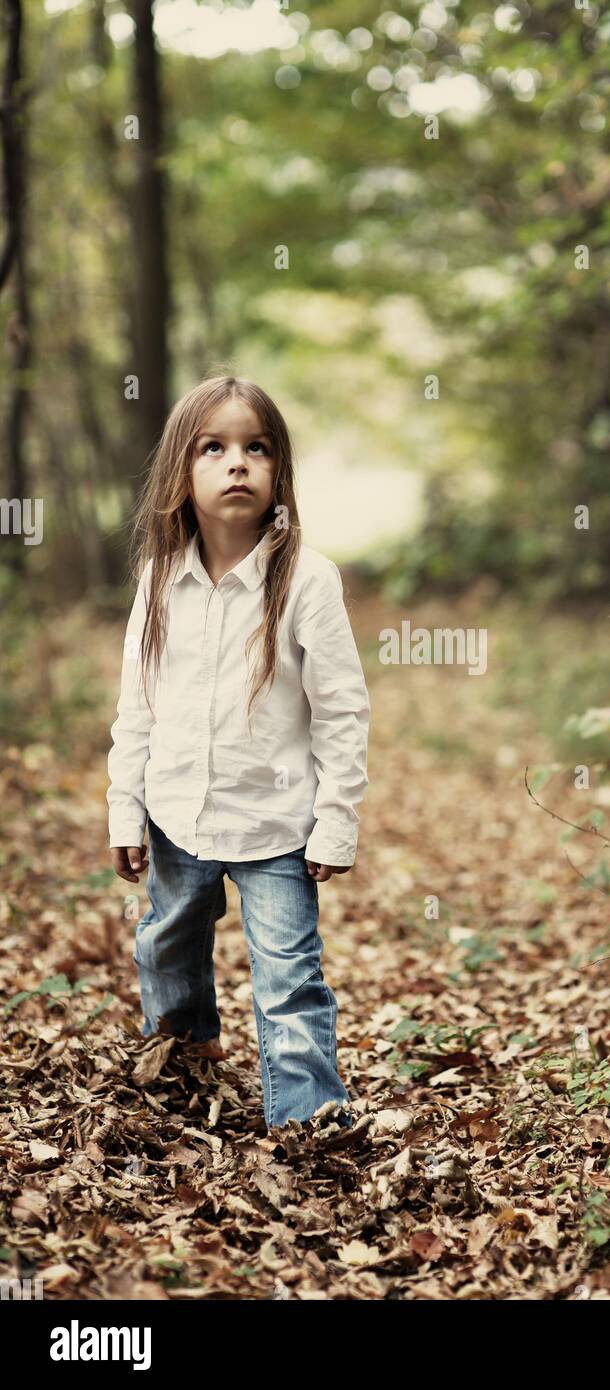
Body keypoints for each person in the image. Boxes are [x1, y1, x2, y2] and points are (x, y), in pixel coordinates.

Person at [106, 373, 370, 1133]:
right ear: (180, 475)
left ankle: (306, 1118)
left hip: (277, 823)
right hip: (178, 813)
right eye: (213, 448)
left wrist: (335, 822)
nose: (237, 463)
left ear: (278, 471)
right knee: (166, 945)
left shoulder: (307, 582)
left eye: (257, 448)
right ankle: (184, 1066)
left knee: (289, 975)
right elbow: (137, 706)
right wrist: (126, 809)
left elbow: (343, 711)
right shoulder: (158, 583)